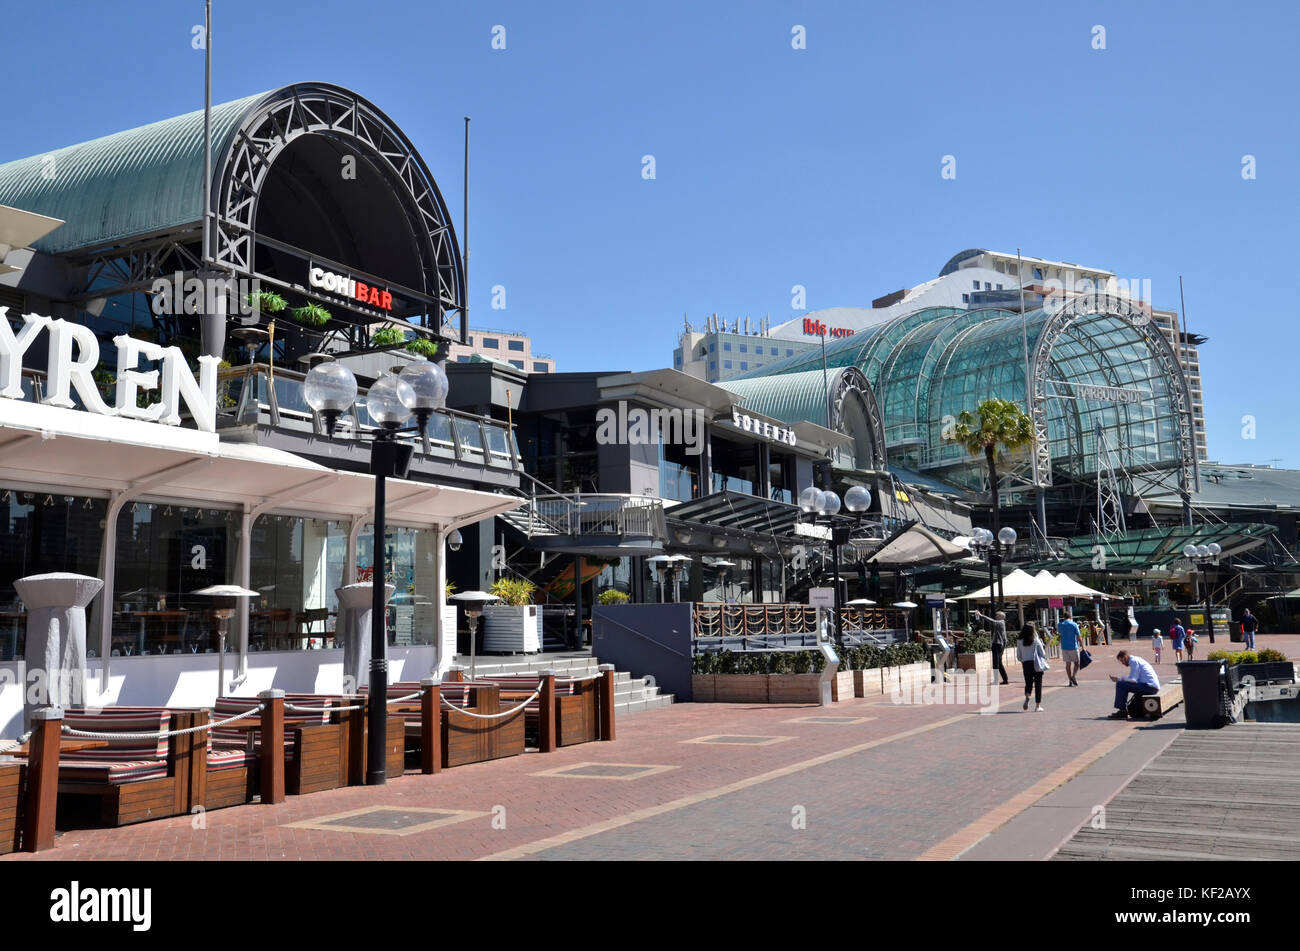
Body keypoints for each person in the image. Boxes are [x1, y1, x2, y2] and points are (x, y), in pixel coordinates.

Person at [1108, 650, 1160, 719]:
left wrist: (1119, 679)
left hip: (1149, 687)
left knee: (1120, 685)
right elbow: (1134, 679)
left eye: (1122, 660)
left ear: (1125, 657)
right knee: (1123, 684)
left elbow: (1133, 680)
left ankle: (1122, 711)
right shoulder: (1136, 660)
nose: (1122, 663)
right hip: (1151, 686)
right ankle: (1124, 710)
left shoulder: (1133, 661)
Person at [1016, 621, 1046, 712]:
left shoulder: (1020, 641)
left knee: (1028, 683)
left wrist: (1023, 660)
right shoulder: (1036, 640)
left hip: (1026, 664)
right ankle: (1037, 706)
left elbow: (1019, 656)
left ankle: (1027, 696)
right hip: (1036, 664)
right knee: (1038, 684)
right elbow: (1043, 654)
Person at [973, 608, 1009, 685]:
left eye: (997, 615)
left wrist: (981, 615)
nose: (995, 616)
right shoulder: (1001, 623)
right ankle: (1005, 679)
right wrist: (1003, 647)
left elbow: (992, 621)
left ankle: (996, 680)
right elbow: (1005, 638)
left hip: (997, 644)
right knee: (999, 663)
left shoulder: (1000, 623)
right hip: (998, 644)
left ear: (1000, 617)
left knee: (996, 664)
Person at [1058, 609, 1083, 687]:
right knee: (1077, 663)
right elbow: (1079, 636)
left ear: (1064, 617)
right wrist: (1083, 646)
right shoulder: (1074, 624)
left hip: (1064, 647)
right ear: (1070, 617)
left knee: (1067, 664)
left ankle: (1070, 680)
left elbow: (1060, 634)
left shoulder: (1060, 625)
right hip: (1073, 646)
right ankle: (1073, 676)